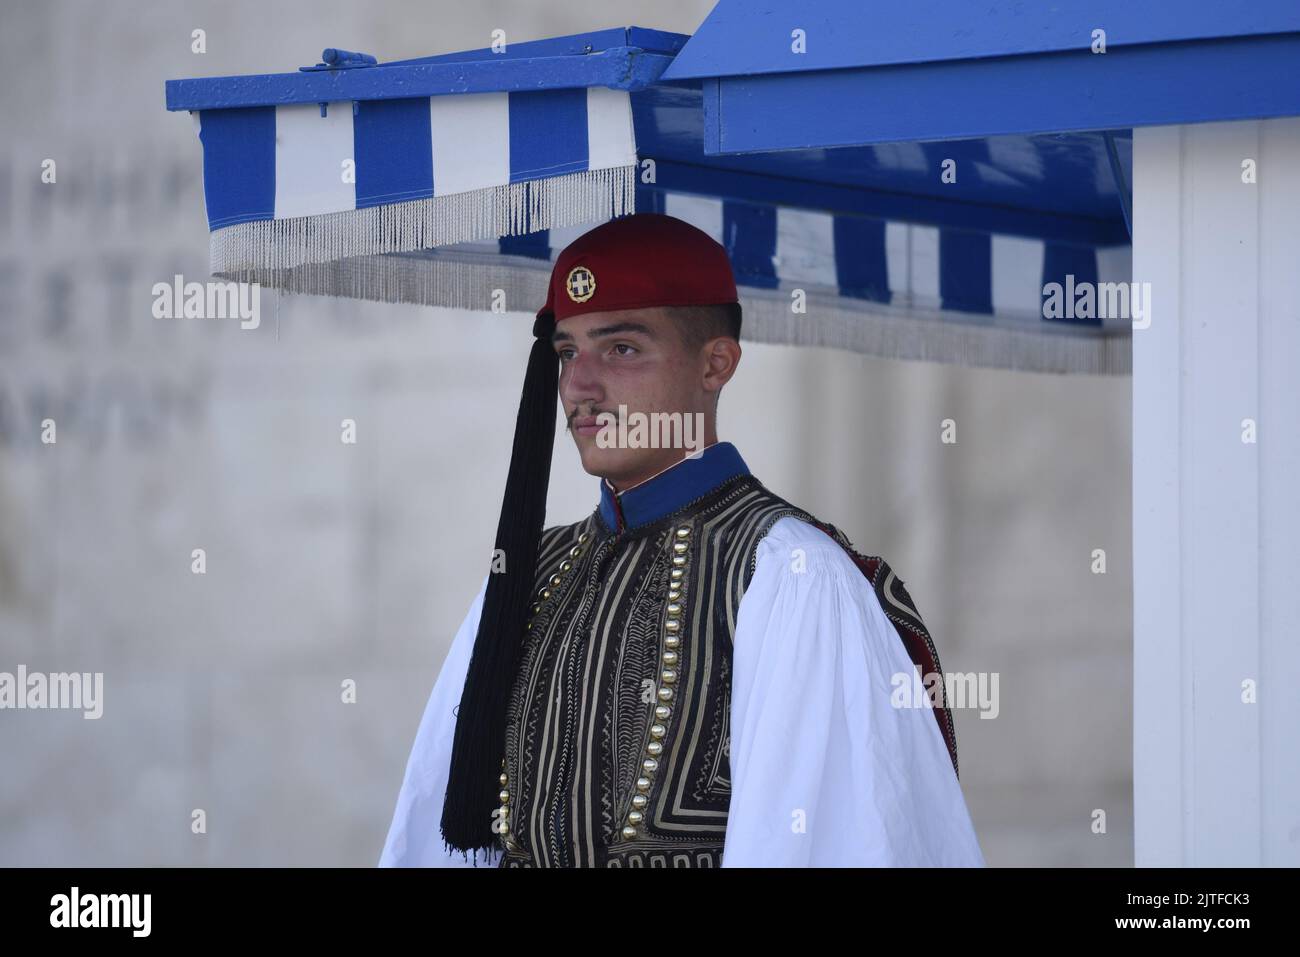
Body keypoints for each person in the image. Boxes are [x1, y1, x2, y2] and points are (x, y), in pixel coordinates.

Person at [379, 213, 985, 867]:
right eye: (566, 351)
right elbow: (442, 836)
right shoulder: (527, 573)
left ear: (715, 363)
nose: (578, 386)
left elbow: (823, 842)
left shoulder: (790, 575)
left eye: (621, 348)